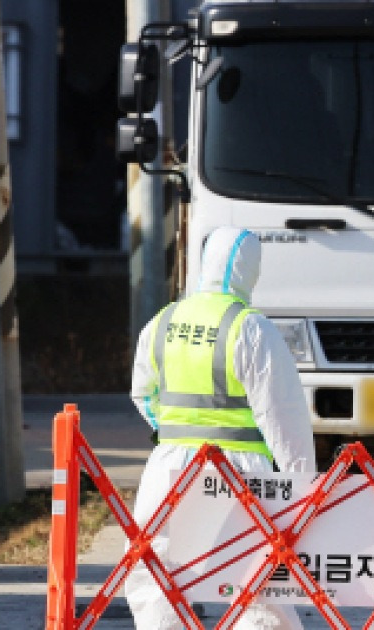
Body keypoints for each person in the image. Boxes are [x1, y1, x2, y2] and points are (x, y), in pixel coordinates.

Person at [125, 226, 317, 630]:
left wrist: (177, 433)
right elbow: (284, 416)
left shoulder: (162, 322)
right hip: (240, 469)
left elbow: (143, 396)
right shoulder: (250, 328)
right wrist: (301, 485)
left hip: (170, 467)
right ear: (251, 271)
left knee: (155, 570)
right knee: (256, 578)